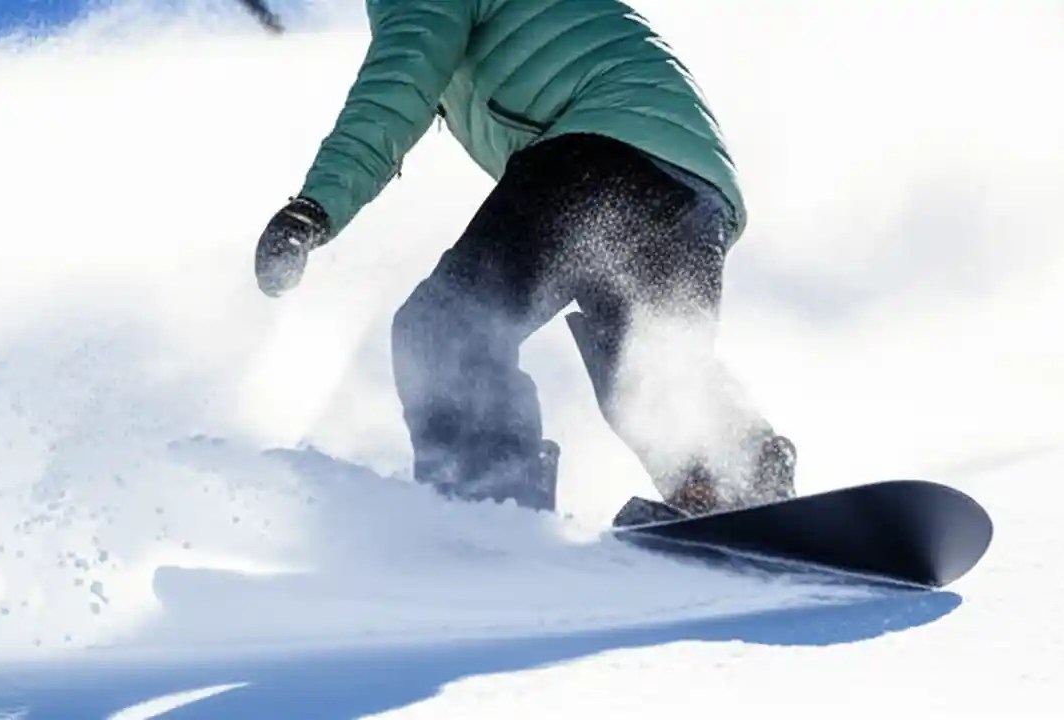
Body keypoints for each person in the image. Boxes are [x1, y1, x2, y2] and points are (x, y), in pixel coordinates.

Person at [253, 0, 796, 517]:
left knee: (445, 327)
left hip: (606, 152)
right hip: (696, 186)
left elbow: (399, 84)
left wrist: (314, 207)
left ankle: (490, 503)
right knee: (642, 364)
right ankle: (738, 486)